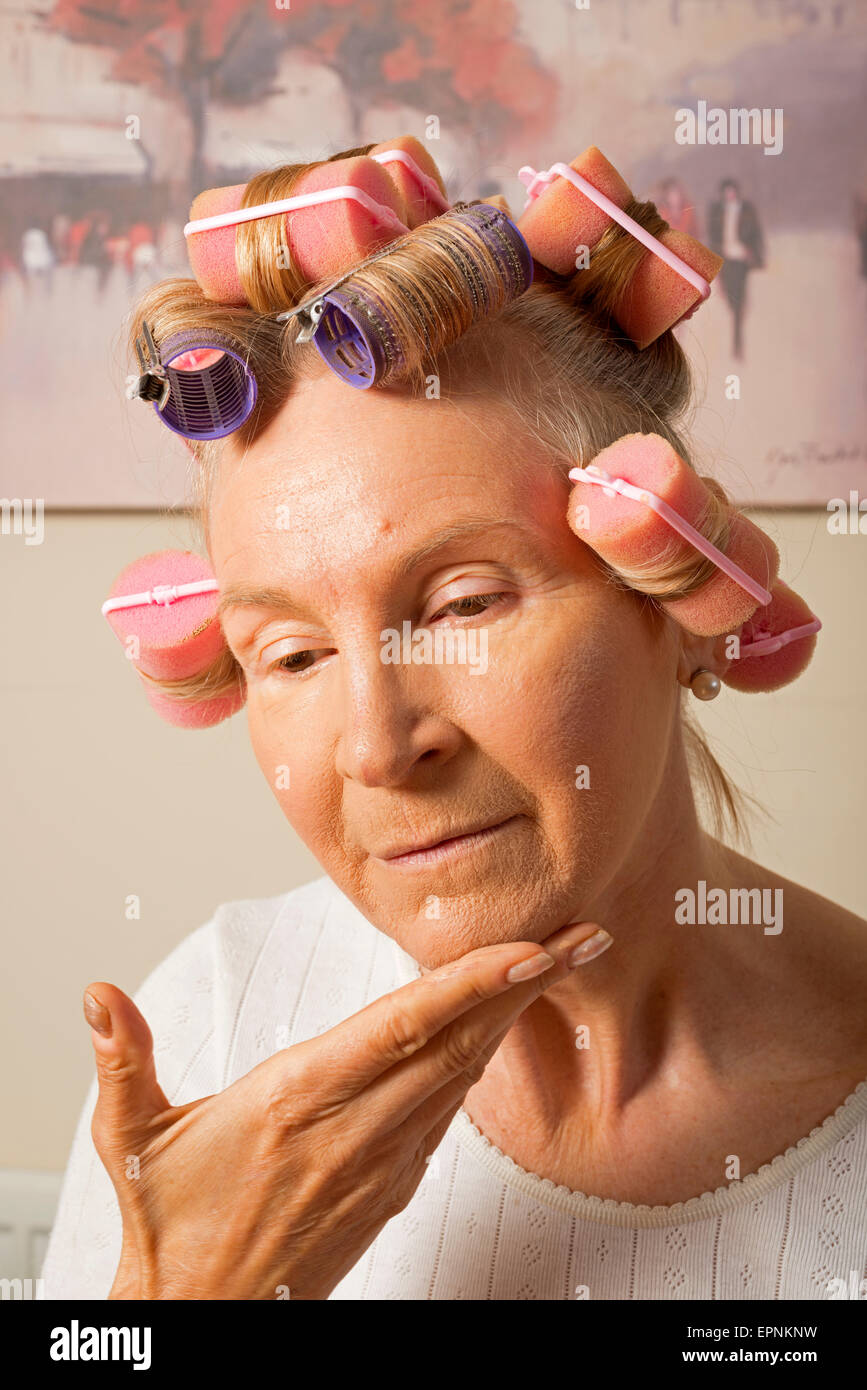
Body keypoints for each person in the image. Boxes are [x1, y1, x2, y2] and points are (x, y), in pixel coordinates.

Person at [40, 141, 867, 1302]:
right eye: (292, 653)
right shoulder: (208, 1021)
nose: (380, 746)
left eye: (466, 602)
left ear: (675, 593)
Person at [707, 178, 765, 360]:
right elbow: (712, 235)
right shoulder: (717, 211)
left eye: (732, 191)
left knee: (738, 299)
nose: (729, 195)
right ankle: (737, 320)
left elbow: (757, 233)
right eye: (726, 191)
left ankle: (737, 342)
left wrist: (756, 255)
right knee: (730, 298)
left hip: (741, 260)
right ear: (723, 193)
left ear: (736, 192)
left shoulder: (747, 210)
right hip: (725, 259)